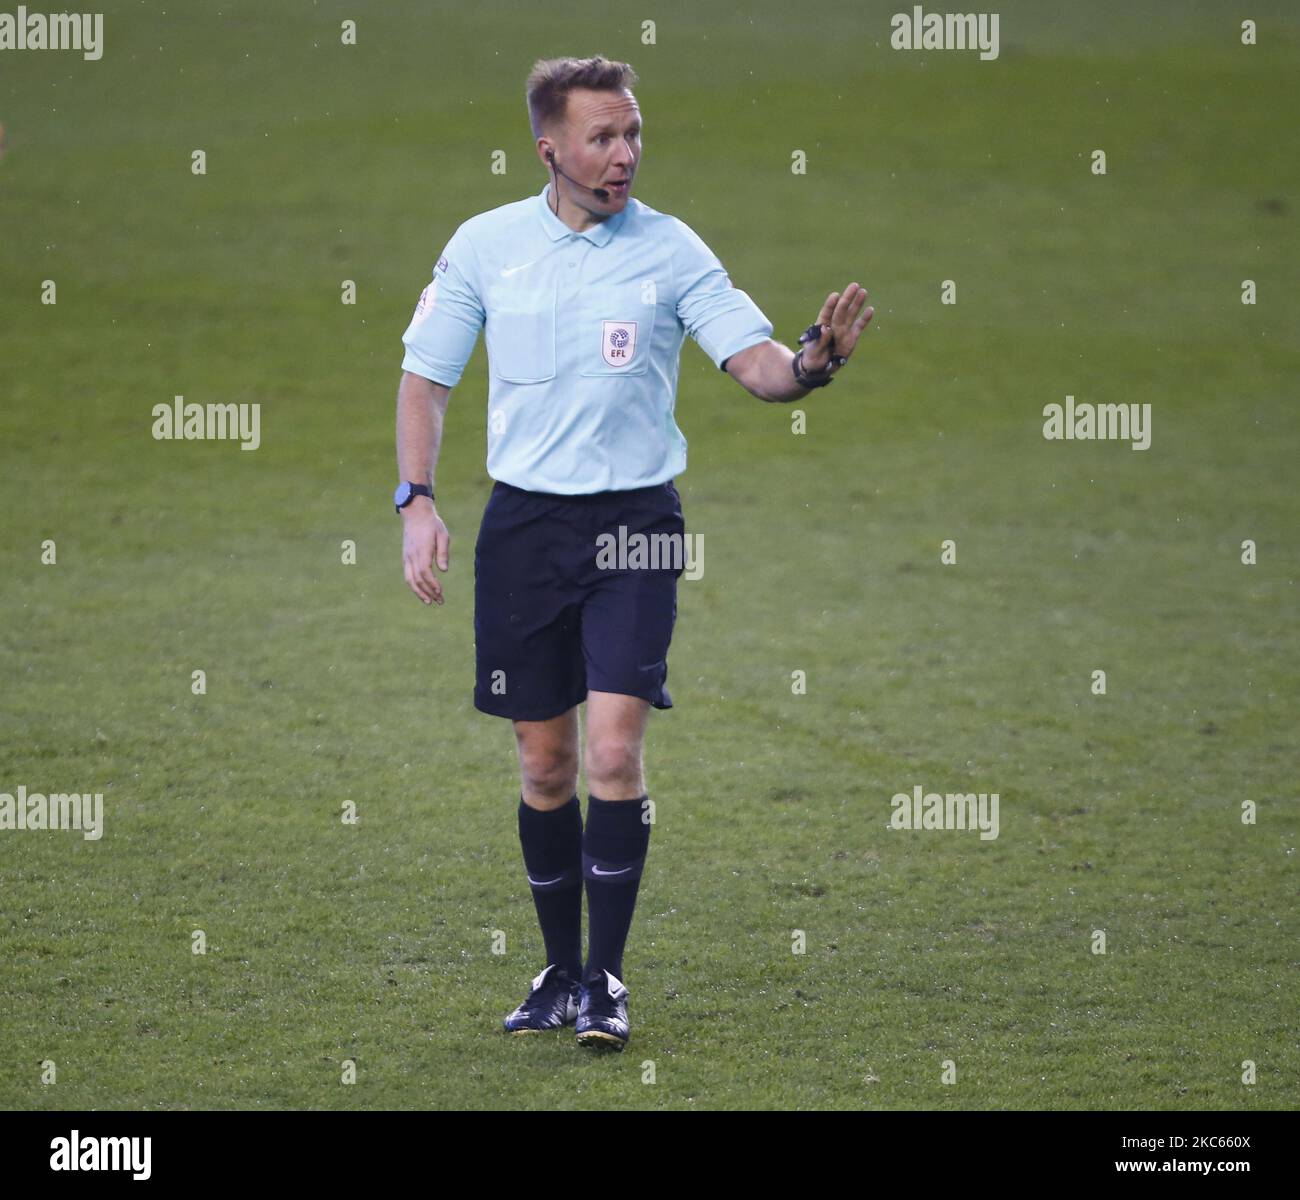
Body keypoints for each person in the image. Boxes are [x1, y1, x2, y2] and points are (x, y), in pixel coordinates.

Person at [394, 55, 872, 1051]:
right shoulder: (485, 248)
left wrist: (812, 364)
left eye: (633, 133)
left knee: (614, 748)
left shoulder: (670, 250)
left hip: (633, 528)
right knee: (545, 759)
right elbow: (426, 380)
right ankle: (557, 971)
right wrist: (417, 500)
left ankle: (605, 979)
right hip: (525, 531)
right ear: (550, 149)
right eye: (603, 137)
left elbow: (756, 367)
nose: (624, 155)